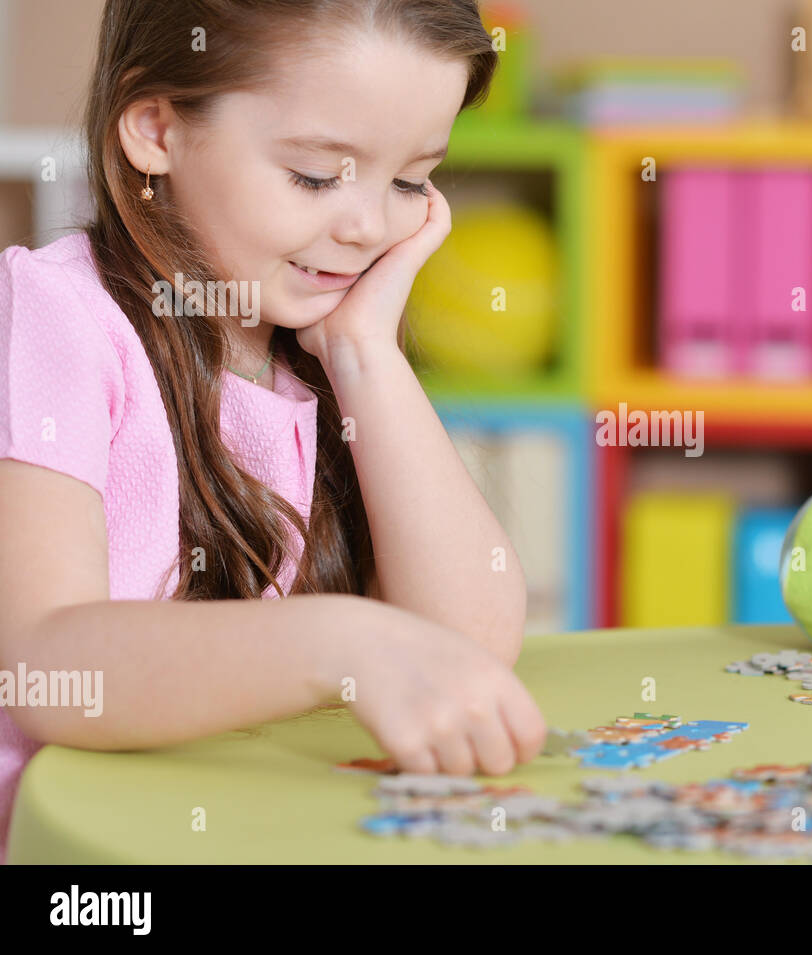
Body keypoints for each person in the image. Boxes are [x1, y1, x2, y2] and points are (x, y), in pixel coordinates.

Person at [0, 0, 547, 861]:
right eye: (317, 176)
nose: (368, 225)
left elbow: (469, 643)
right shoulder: (55, 314)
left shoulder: (321, 347)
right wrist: (337, 639)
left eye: (410, 181)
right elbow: (43, 666)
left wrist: (364, 353)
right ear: (155, 129)